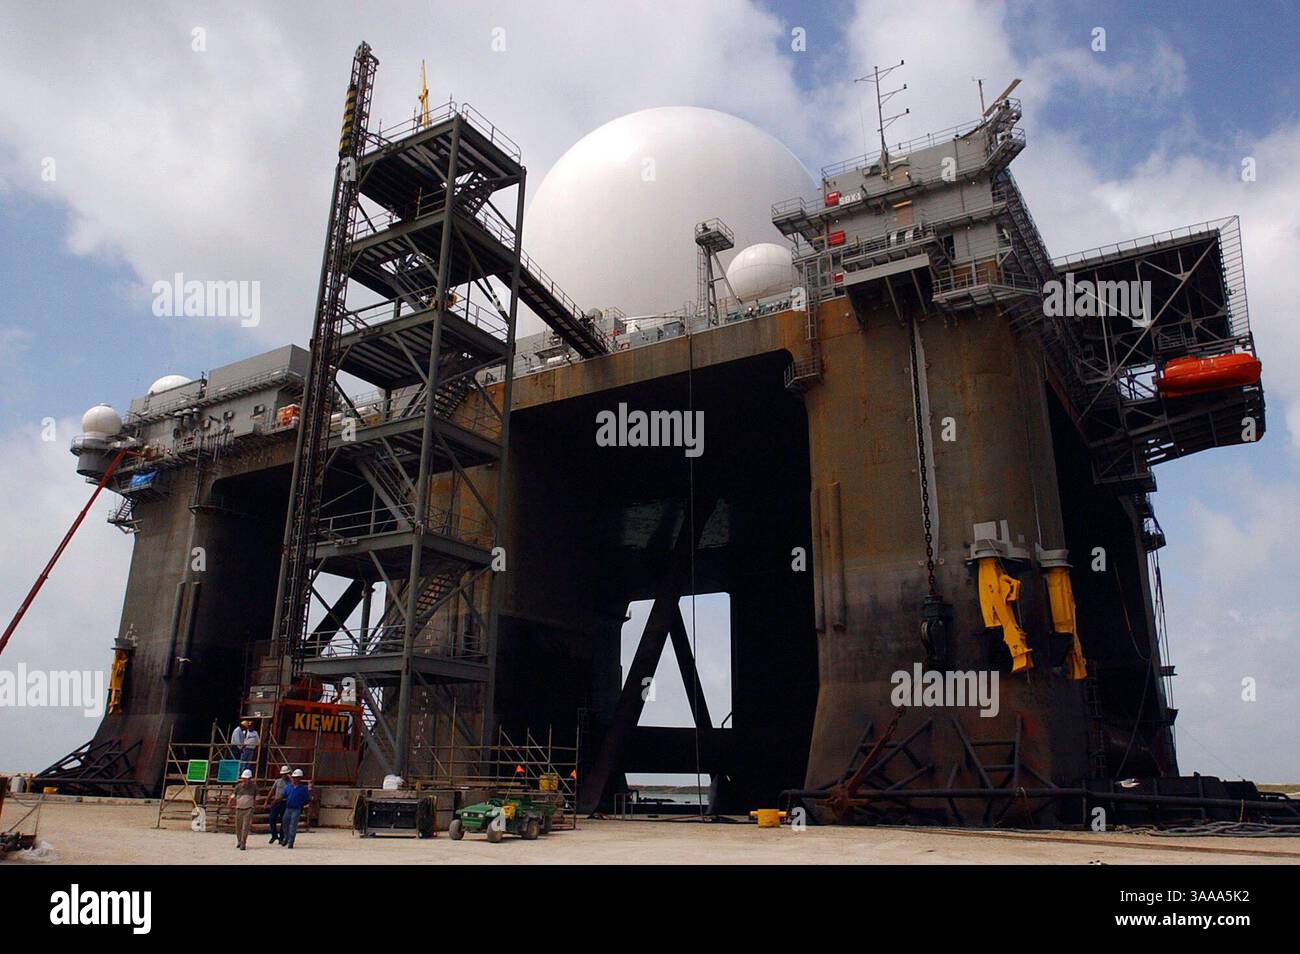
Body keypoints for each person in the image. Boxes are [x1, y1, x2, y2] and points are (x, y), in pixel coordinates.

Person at [227, 768, 258, 850]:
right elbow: (233, 796)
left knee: (245, 827)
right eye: (244, 779)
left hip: (248, 809)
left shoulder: (254, 787)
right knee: (238, 826)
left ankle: (243, 843)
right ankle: (239, 841)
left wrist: (254, 806)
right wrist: (230, 803)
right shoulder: (238, 787)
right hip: (239, 808)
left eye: (246, 779)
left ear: (250, 779)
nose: (245, 781)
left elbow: (256, 798)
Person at [282, 769, 311, 849]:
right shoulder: (288, 787)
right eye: (294, 777)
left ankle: (291, 842)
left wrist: (302, 805)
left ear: (299, 778)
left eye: (296, 777)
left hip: (296, 809)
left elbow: (306, 799)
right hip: (288, 808)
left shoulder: (303, 789)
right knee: (285, 823)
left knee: (293, 825)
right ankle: (287, 837)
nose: (294, 779)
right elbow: (284, 795)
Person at [266, 765, 291, 844]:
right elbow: (272, 791)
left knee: (284, 820)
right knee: (272, 819)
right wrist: (267, 801)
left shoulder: (291, 783)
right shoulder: (277, 781)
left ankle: (282, 837)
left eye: (286, 774)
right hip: (276, 802)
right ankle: (274, 835)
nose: (284, 775)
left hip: (285, 802)